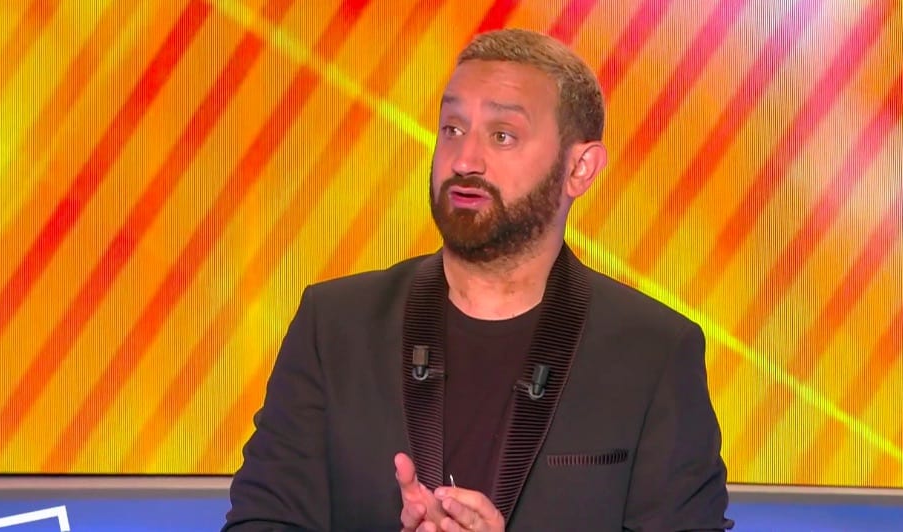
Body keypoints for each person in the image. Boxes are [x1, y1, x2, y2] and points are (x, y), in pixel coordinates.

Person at [223, 28, 732, 531]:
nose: (464, 160)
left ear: (580, 168)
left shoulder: (655, 352)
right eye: (452, 129)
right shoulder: (335, 325)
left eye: (502, 135)